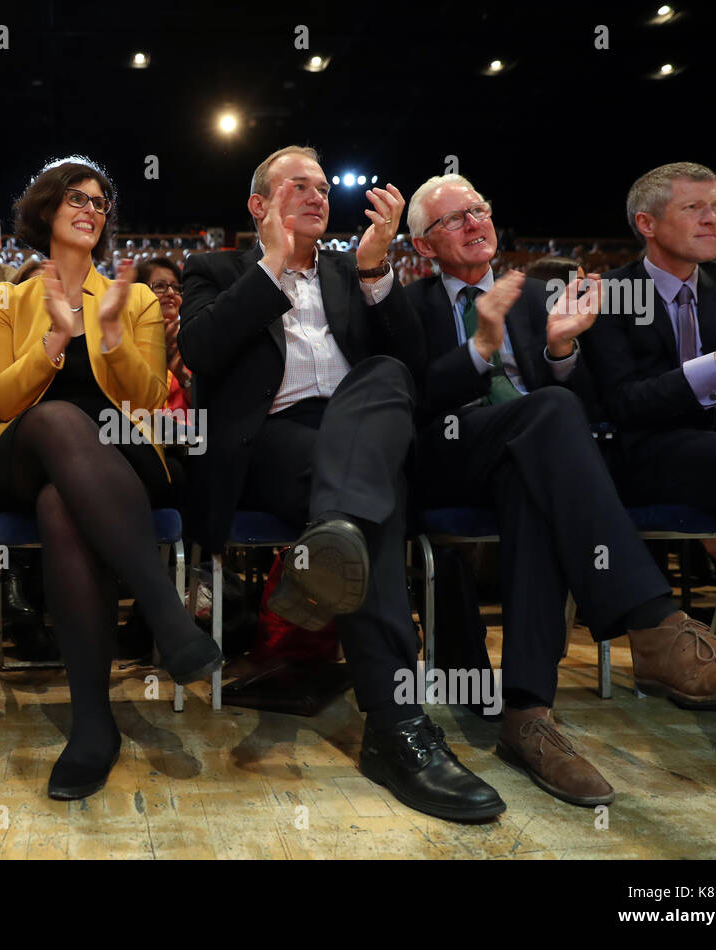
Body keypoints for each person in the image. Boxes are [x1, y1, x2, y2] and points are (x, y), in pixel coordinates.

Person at [404, 174, 716, 806]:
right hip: (449, 455)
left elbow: (597, 410)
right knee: (550, 413)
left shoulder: (542, 297)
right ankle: (655, 626)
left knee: (542, 462)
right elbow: (415, 399)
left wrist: (560, 349)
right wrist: (482, 345)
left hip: (532, 458)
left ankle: (528, 716)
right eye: (454, 220)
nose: (476, 223)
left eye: (479, 209)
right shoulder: (408, 304)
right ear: (423, 247)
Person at [180, 145, 504, 823]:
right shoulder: (216, 269)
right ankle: (398, 732)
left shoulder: (347, 270)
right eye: (298, 184)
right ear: (258, 205)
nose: (317, 194)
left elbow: (412, 371)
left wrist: (376, 269)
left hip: (363, 430)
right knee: (373, 507)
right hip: (268, 444)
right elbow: (202, 352)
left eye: (324, 186)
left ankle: (332, 560)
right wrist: (271, 265)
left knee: (384, 381)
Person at [0, 157, 222, 800]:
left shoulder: (133, 297)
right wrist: (55, 340)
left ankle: (92, 726)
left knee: (63, 505)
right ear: (47, 209)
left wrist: (109, 334)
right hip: (22, 452)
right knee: (55, 417)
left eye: (101, 201)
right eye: (77, 198)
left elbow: (147, 405)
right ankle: (165, 614)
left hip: (121, 453)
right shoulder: (7, 298)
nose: (92, 209)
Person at [581, 162, 716, 674]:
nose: (714, 222)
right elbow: (625, 405)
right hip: (650, 452)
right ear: (647, 224)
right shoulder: (610, 294)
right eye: (694, 208)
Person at [135, 256, 191, 414]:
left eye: (176, 287)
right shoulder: (127, 342)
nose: (171, 293)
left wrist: (183, 376)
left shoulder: (194, 344)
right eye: (160, 286)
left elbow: (209, 410)